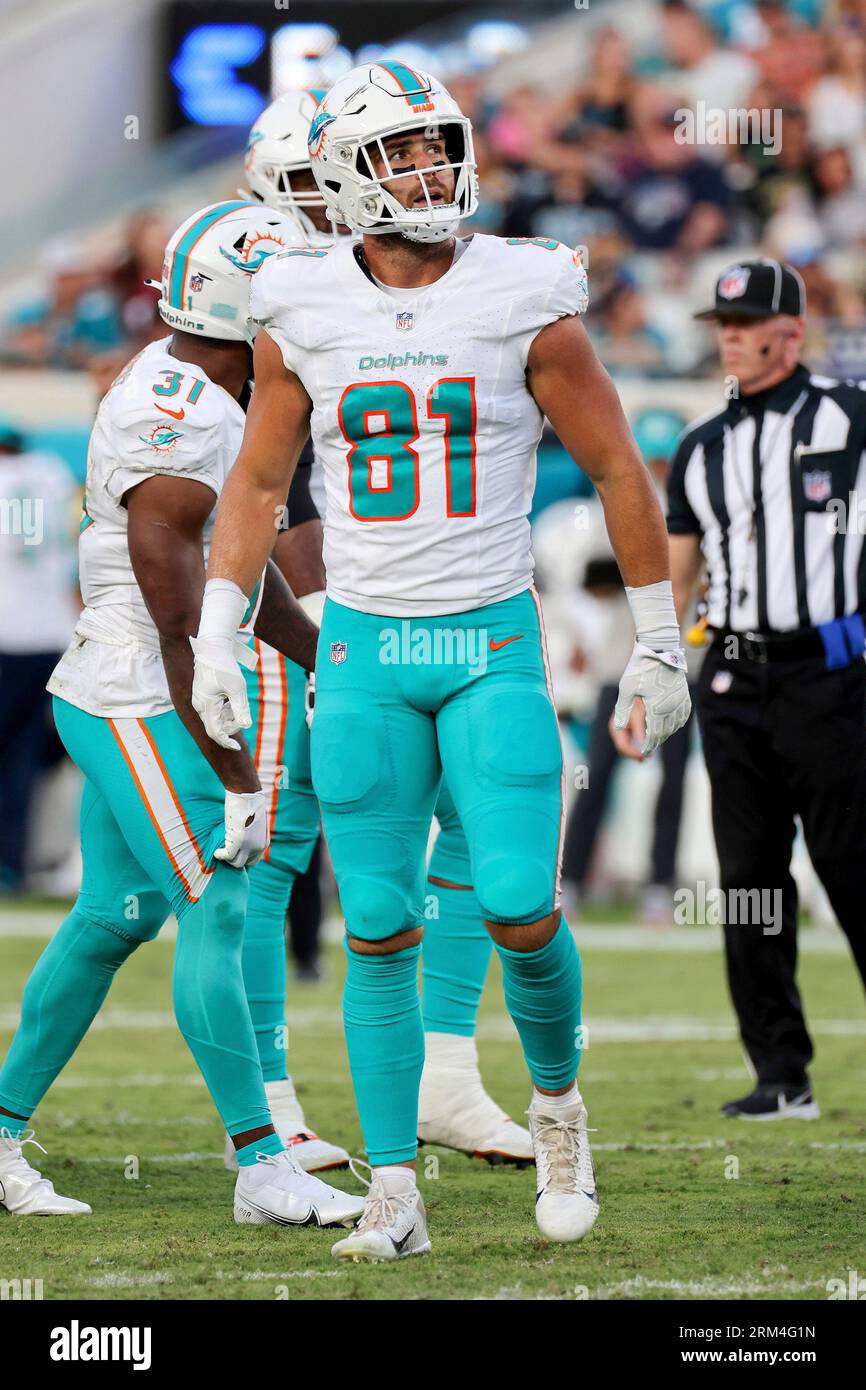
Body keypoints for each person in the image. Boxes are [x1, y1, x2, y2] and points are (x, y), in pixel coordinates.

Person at [191, 64, 691, 1262]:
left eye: (437, 147)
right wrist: (217, 624)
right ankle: (394, 1192)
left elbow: (621, 470)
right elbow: (259, 479)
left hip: (486, 641)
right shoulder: (299, 299)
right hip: (362, 649)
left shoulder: (528, 290)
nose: (429, 173)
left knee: (519, 902)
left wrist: (658, 641)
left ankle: (558, 1111)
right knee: (373, 923)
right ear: (349, 180)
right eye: (401, 155)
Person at [0, 201, 364, 1231]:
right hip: (134, 686)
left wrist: (329, 657)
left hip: (139, 677)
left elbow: (236, 577)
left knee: (116, 917)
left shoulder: (221, 385)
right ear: (250, 302)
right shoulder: (183, 411)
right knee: (221, 892)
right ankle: (259, 1160)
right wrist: (238, 773)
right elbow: (178, 618)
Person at [242, 89, 535, 1165]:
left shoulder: (434, 274)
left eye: (421, 153)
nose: (406, 179)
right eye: (376, 161)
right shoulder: (277, 276)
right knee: (277, 848)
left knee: (469, 825)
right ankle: (264, 1102)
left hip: (408, 596)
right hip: (291, 588)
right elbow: (252, 476)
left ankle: (445, 1070)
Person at [643, 257, 866, 1119]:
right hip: (733, 678)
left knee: (854, 869)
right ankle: (782, 1075)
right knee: (750, 883)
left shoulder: (850, 420)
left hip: (832, 676)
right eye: (721, 325)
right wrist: (654, 671)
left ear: (791, 331)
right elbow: (679, 579)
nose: (729, 338)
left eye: (745, 323)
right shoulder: (702, 448)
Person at [0, 422, 77, 893]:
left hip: (11, 633)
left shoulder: (20, 481)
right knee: (23, 757)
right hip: (50, 636)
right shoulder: (50, 471)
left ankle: (11, 861)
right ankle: (13, 862)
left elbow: (22, 544)